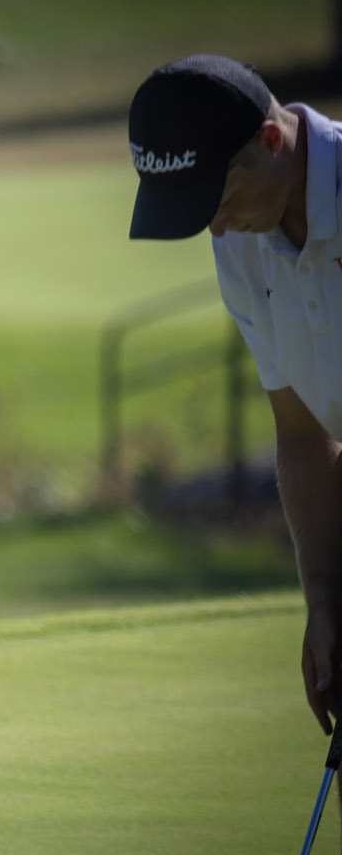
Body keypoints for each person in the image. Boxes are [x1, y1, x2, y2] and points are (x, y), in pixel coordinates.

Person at [128, 54, 341, 734]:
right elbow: (303, 434)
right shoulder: (241, 244)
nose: (216, 230)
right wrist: (325, 599)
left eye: (218, 202)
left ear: (270, 142)